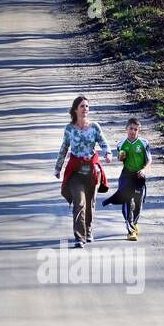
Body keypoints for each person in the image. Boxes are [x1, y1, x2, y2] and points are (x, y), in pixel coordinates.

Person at [54, 95, 111, 248]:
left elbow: (104, 144)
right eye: (82, 106)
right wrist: (58, 167)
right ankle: (79, 237)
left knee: (89, 204)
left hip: (91, 171)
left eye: (87, 106)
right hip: (75, 171)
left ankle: (88, 229)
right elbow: (64, 148)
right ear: (75, 110)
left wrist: (108, 154)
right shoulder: (69, 129)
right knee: (79, 203)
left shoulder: (94, 127)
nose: (85, 109)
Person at [104, 117, 152, 241]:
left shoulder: (144, 143)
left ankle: (134, 223)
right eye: (131, 128)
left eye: (135, 129)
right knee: (127, 201)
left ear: (139, 131)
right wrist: (121, 157)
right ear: (126, 129)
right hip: (126, 175)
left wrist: (144, 170)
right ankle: (130, 230)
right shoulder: (121, 144)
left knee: (138, 203)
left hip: (139, 176)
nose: (133, 131)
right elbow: (120, 159)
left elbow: (149, 160)